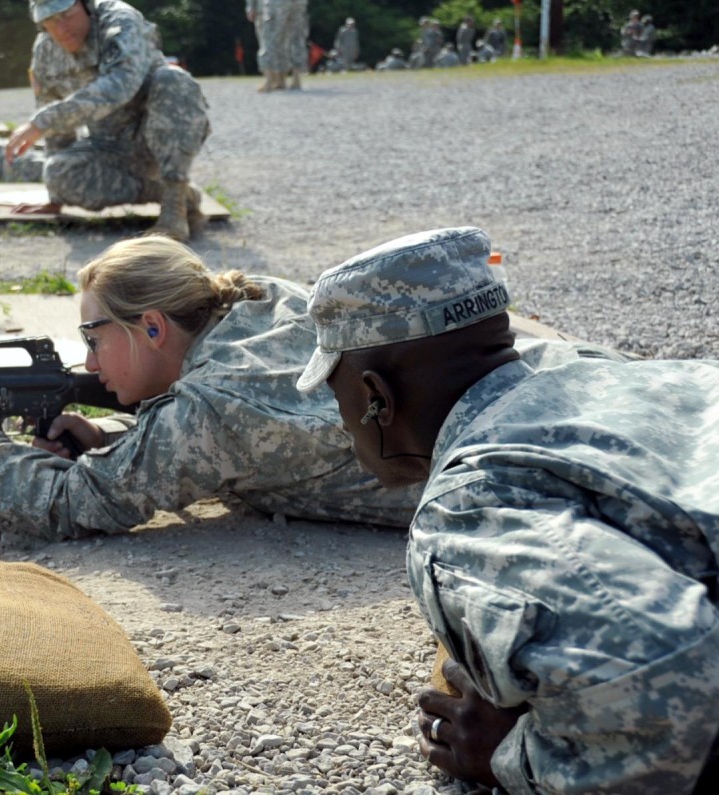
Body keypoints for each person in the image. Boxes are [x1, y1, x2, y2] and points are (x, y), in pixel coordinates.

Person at [298, 226, 719, 794]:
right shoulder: (642, 376)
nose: (342, 419)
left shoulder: (468, 505)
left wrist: (511, 754)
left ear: (376, 398)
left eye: (336, 392)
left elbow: (677, 685)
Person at [0, 235, 422, 539]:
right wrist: (114, 432)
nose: (89, 365)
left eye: (94, 339)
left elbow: (63, 505)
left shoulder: (210, 408)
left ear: (153, 327)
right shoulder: (258, 298)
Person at [4, 0, 211, 243]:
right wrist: (56, 197)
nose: (61, 29)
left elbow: (120, 85)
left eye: (67, 15)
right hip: (109, 146)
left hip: (155, 135)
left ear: (86, 6)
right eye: (50, 21)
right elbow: (54, 121)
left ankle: (174, 208)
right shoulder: (46, 50)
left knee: (173, 80)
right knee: (57, 175)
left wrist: (43, 122)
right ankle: (169, 193)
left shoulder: (120, 20)